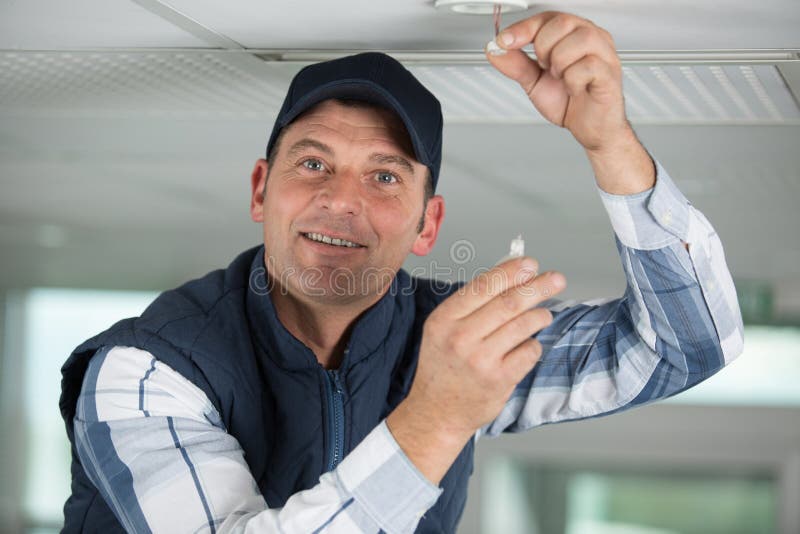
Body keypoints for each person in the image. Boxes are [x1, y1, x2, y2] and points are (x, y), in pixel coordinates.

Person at [59, 11, 743, 534]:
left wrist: (610, 142)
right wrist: (438, 417)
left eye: (384, 176)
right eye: (313, 163)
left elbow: (688, 344)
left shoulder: (458, 342)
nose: (341, 200)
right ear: (261, 189)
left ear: (428, 225)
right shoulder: (148, 372)